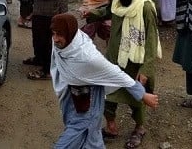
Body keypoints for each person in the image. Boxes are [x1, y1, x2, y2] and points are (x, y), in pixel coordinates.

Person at [50, 13, 159, 149]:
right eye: (53, 34)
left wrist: (142, 94)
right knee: (92, 137)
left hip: (89, 101)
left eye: (59, 34)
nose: (55, 39)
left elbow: (117, 74)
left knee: (73, 134)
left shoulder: (88, 58)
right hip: (71, 96)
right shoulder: (64, 45)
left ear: (68, 33)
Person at [103, 0, 162, 147]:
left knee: (137, 97)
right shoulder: (117, 0)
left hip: (135, 62)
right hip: (115, 57)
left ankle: (139, 128)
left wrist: (146, 69)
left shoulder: (145, 6)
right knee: (108, 93)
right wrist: (90, 15)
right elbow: (107, 12)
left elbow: (151, 40)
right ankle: (111, 126)